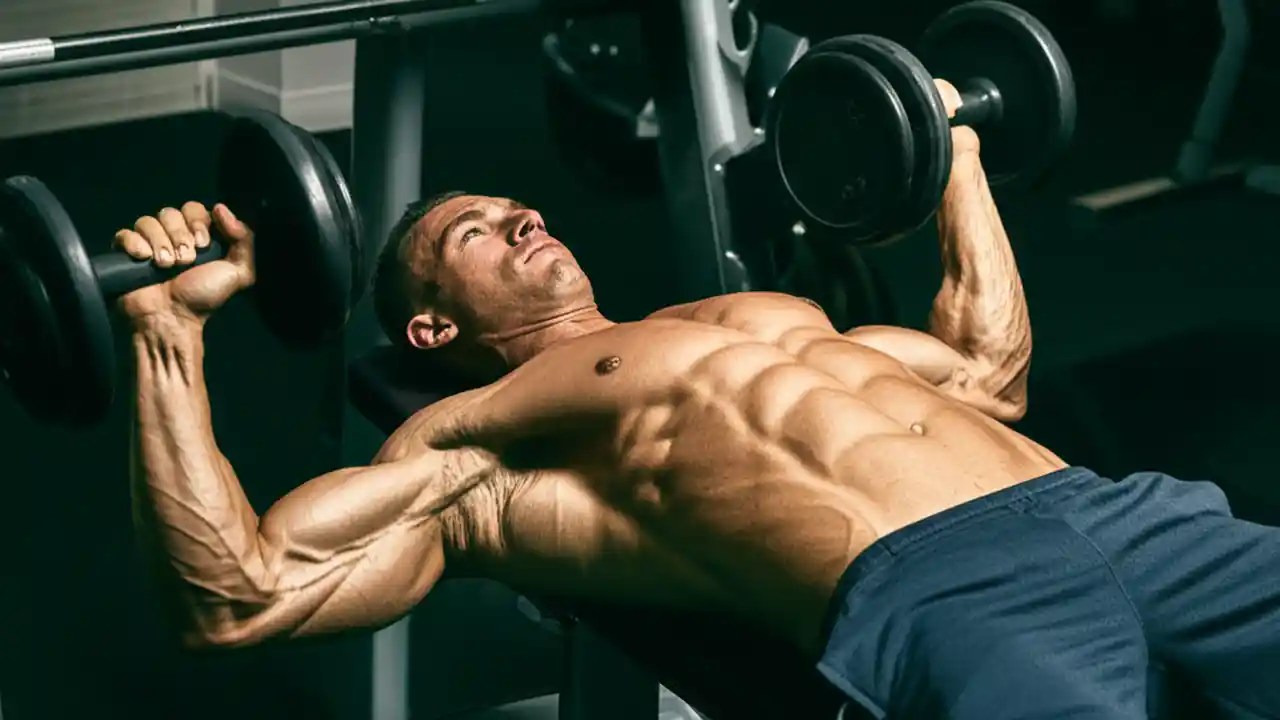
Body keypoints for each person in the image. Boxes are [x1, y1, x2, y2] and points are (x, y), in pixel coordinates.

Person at [115, 82, 1280, 720]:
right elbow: (239, 597)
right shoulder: (479, 439)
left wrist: (953, 151)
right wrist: (167, 340)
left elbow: (987, 373)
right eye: (473, 231)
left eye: (520, 205)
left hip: (1122, 514)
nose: (523, 217)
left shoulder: (763, 315)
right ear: (431, 330)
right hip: (938, 588)